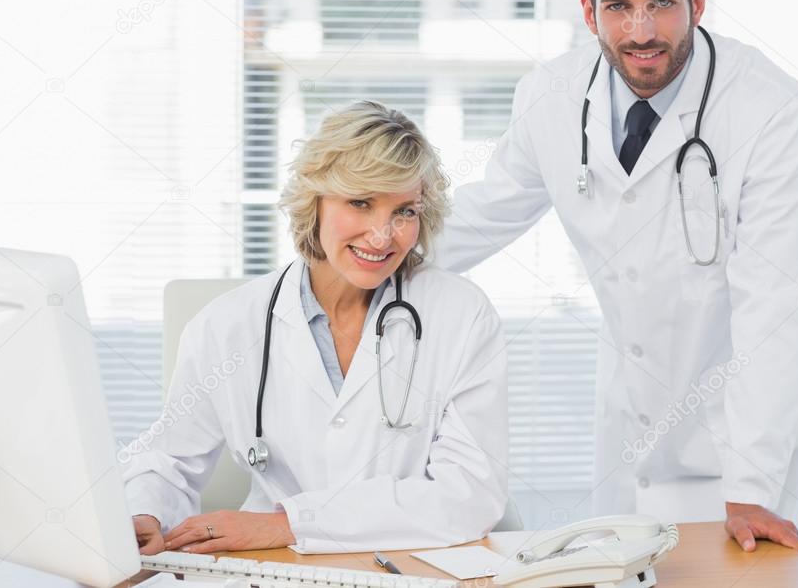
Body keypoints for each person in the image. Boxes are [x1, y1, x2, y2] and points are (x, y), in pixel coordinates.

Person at [434, 0, 798, 554]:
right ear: (589, 12)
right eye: (618, 6)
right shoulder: (551, 96)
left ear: (696, 1)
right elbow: (483, 212)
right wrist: (361, 253)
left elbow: (780, 307)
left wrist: (753, 484)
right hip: (627, 443)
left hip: (736, 458)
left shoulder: (769, 109)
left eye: (662, 3)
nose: (641, 31)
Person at [121, 101, 508, 555]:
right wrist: (146, 516)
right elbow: (169, 460)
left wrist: (291, 523)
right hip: (273, 567)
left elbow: (470, 493)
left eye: (404, 211)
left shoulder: (461, 315)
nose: (382, 235)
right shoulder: (225, 326)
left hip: (409, 563)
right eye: (360, 203)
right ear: (315, 201)